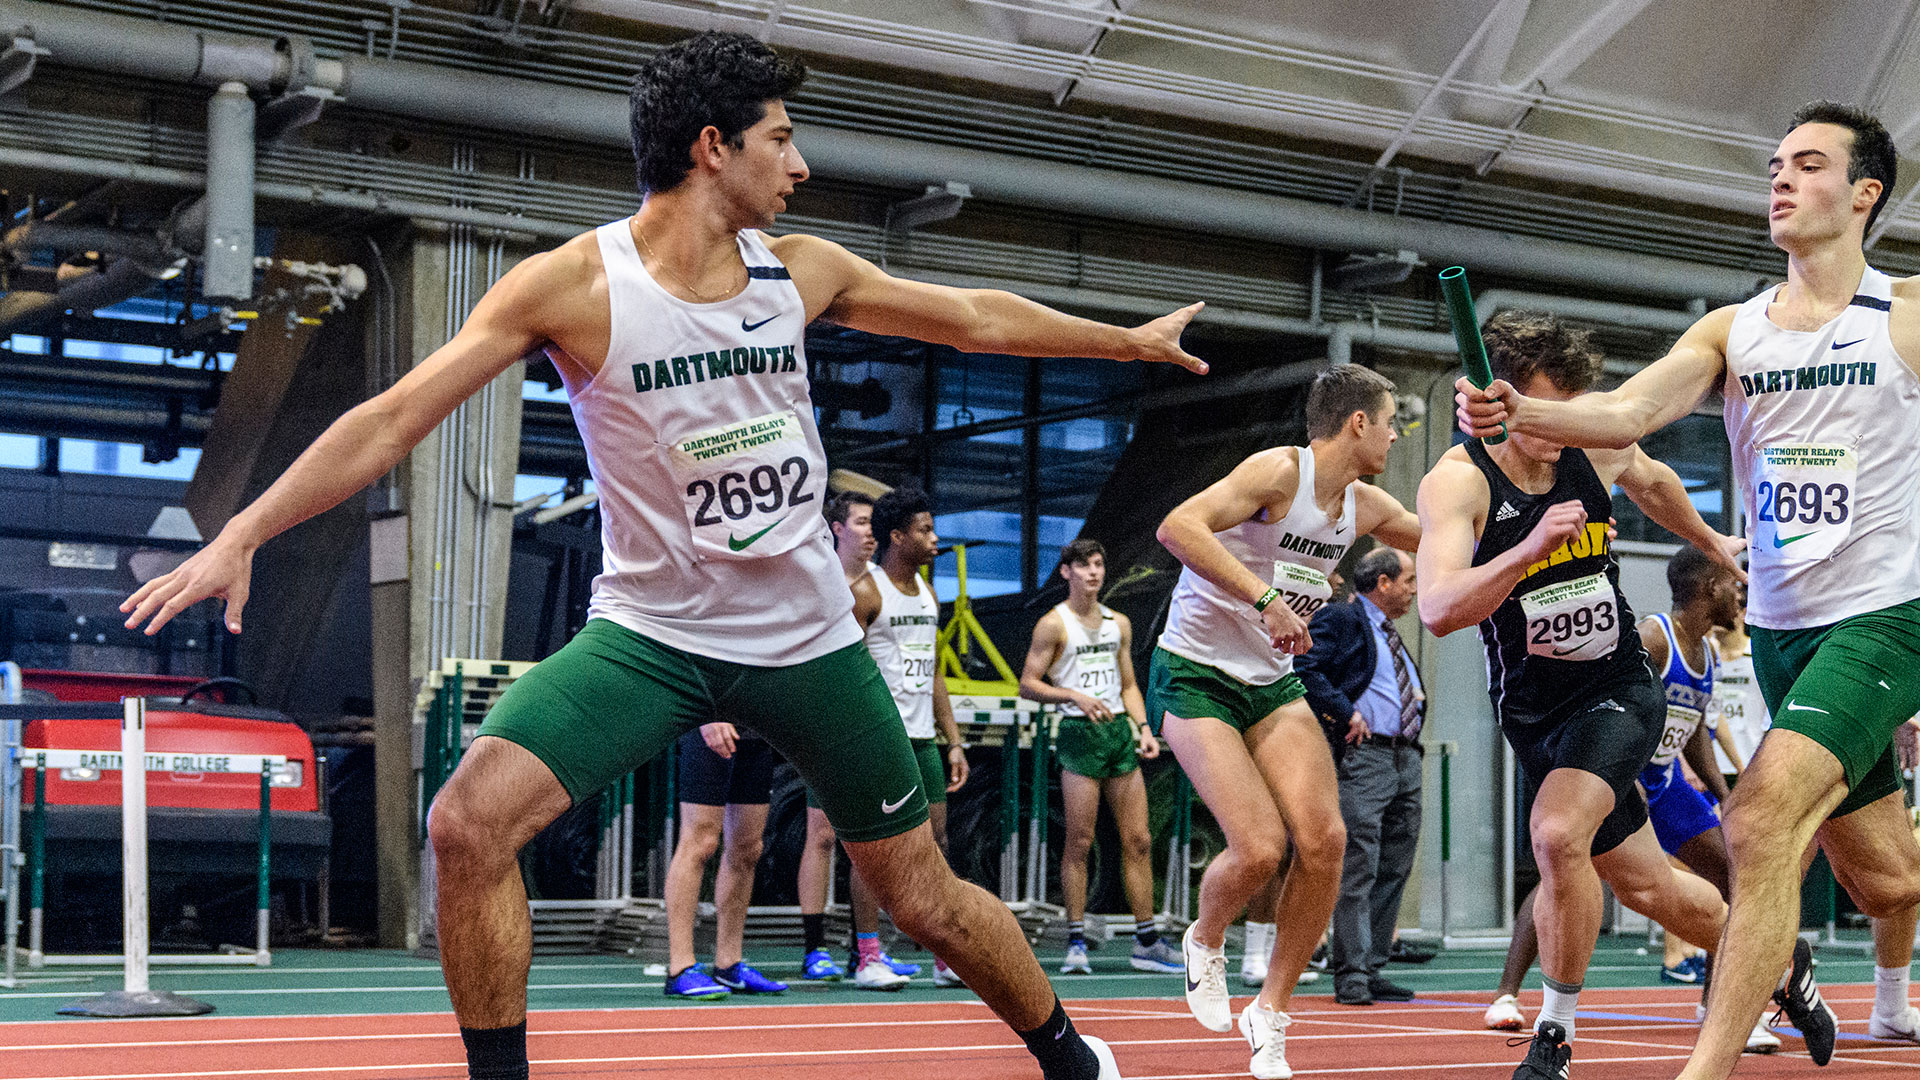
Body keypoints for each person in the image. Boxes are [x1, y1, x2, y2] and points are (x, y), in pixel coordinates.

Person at [121, 31, 1207, 1080]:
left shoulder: (799, 269)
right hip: (652, 636)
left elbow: (970, 318)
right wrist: (244, 531)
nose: (802, 163)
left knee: (920, 894)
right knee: (466, 824)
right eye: (780, 138)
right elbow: (394, 418)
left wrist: (1125, 341)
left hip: (810, 640)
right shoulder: (574, 288)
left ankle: (1072, 1057)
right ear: (711, 148)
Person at [1454, 102, 1920, 1080]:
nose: (1780, 180)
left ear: (1865, 192)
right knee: (1889, 884)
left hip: (1884, 615)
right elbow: (1631, 410)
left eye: (1806, 164)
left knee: (1754, 823)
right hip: (1787, 628)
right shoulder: (1733, 328)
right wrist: (1524, 409)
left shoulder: (1905, 317)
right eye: (1772, 165)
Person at [1417, 311, 1808, 1079]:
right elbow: (1438, 608)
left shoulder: (1589, 447)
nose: (1561, 428)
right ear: (1495, 400)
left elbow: (1654, 479)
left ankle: (1554, 1039)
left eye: (1571, 407)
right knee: (1652, 886)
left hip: (1620, 685)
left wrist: (1710, 540)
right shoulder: (1458, 482)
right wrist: (1529, 547)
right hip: (1534, 710)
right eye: (1542, 409)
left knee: (1558, 835)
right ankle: (1781, 961)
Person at [1152, 363, 1420, 1080]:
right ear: (1358, 422)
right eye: (1391, 421)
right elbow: (1178, 527)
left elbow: (1445, 539)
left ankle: (1270, 1014)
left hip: (1271, 683)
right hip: (1196, 671)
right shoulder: (1280, 471)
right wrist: (1267, 595)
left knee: (1326, 840)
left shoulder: (1361, 507)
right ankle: (1204, 940)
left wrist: (1526, 524)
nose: (1397, 435)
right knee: (1261, 848)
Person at [1481, 546, 1783, 1055]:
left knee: (1733, 876)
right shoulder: (1652, 636)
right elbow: (1607, 702)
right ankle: (1507, 993)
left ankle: (1722, 1007)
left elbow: (1694, 733)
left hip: (1668, 787)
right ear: (1711, 587)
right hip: (1622, 779)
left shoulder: (1707, 654)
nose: (1742, 592)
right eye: (1735, 583)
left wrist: (1728, 797)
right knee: (1568, 862)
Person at [1017, 539, 1180, 977]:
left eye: (1099, 564)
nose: (1093, 572)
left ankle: (1146, 941)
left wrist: (1143, 727)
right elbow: (1028, 683)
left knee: (1139, 839)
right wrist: (1074, 695)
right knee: (1080, 841)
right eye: (1084, 565)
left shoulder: (1118, 624)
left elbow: (1128, 683)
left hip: (1117, 734)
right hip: (1078, 732)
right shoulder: (1054, 625)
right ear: (1066, 572)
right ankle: (1075, 940)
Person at [794, 490, 919, 989]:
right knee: (821, 836)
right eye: (862, 523)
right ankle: (813, 948)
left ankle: (865, 950)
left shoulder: (880, 587)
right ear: (836, 528)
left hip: (874, 730)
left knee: (868, 841)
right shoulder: (818, 583)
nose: (870, 532)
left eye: (874, 525)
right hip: (825, 726)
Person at [1295, 545, 1425, 1006]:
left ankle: (1371, 967)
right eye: (1408, 580)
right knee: (1360, 864)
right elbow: (1304, 666)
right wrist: (1344, 710)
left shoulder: (1388, 630)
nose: (1414, 589)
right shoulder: (1343, 619)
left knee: (1395, 864)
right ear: (1384, 583)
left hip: (1405, 756)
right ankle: (1350, 972)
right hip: (1365, 756)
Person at [864, 487, 971, 989]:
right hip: (881, 740)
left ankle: (943, 953)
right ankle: (868, 955)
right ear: (897, 536)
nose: (935, 539)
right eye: (925, 530)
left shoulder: (929, 595)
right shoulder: (867, 592)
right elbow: (843, 670)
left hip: (924, 739)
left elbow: (933, 674)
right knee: (874, 848)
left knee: (937, 841)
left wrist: (954, 741)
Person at [660, 722, 788, 999]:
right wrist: (708, 719)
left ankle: (728, 965)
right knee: (700, 842)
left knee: (748, 849)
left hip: (755, 730)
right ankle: (680, 968)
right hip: (708, 727)